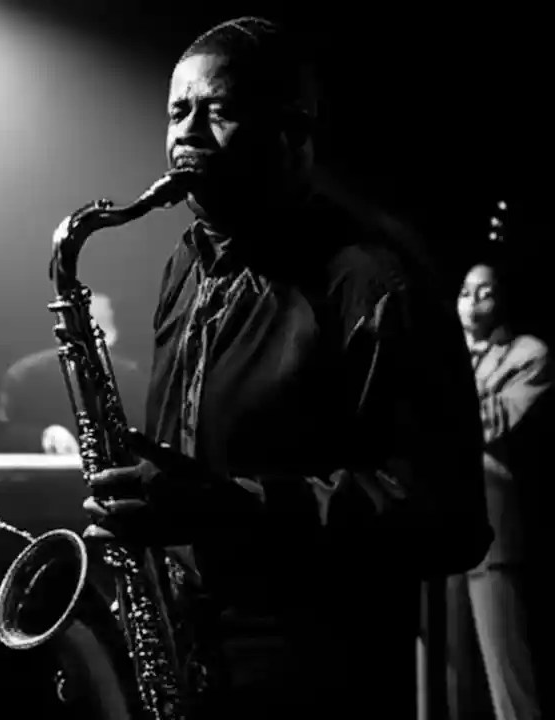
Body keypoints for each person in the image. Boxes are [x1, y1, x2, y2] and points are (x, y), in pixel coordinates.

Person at [81, 17, 492, 719]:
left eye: (222, 110)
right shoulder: (186, 262)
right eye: (178, 111)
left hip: (316, 667)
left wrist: (225, 504)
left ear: (294, 131)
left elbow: (445, 515)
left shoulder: (374, 278)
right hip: (196, 647)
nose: (189, 132)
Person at [454, 257, 549, 720]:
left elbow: (488, 423)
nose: (473, 303)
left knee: (505, 668)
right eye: (466, 292)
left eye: (485, 292)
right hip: (439, 519)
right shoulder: (445, 359)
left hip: (492, 523)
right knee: (445, 667)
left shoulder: (527, 354)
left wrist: (437, 401)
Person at [0, 291, 146, 454]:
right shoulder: (24, 375)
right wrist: (44, 436)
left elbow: (146, 438)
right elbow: (3, 436)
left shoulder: (130, 378)